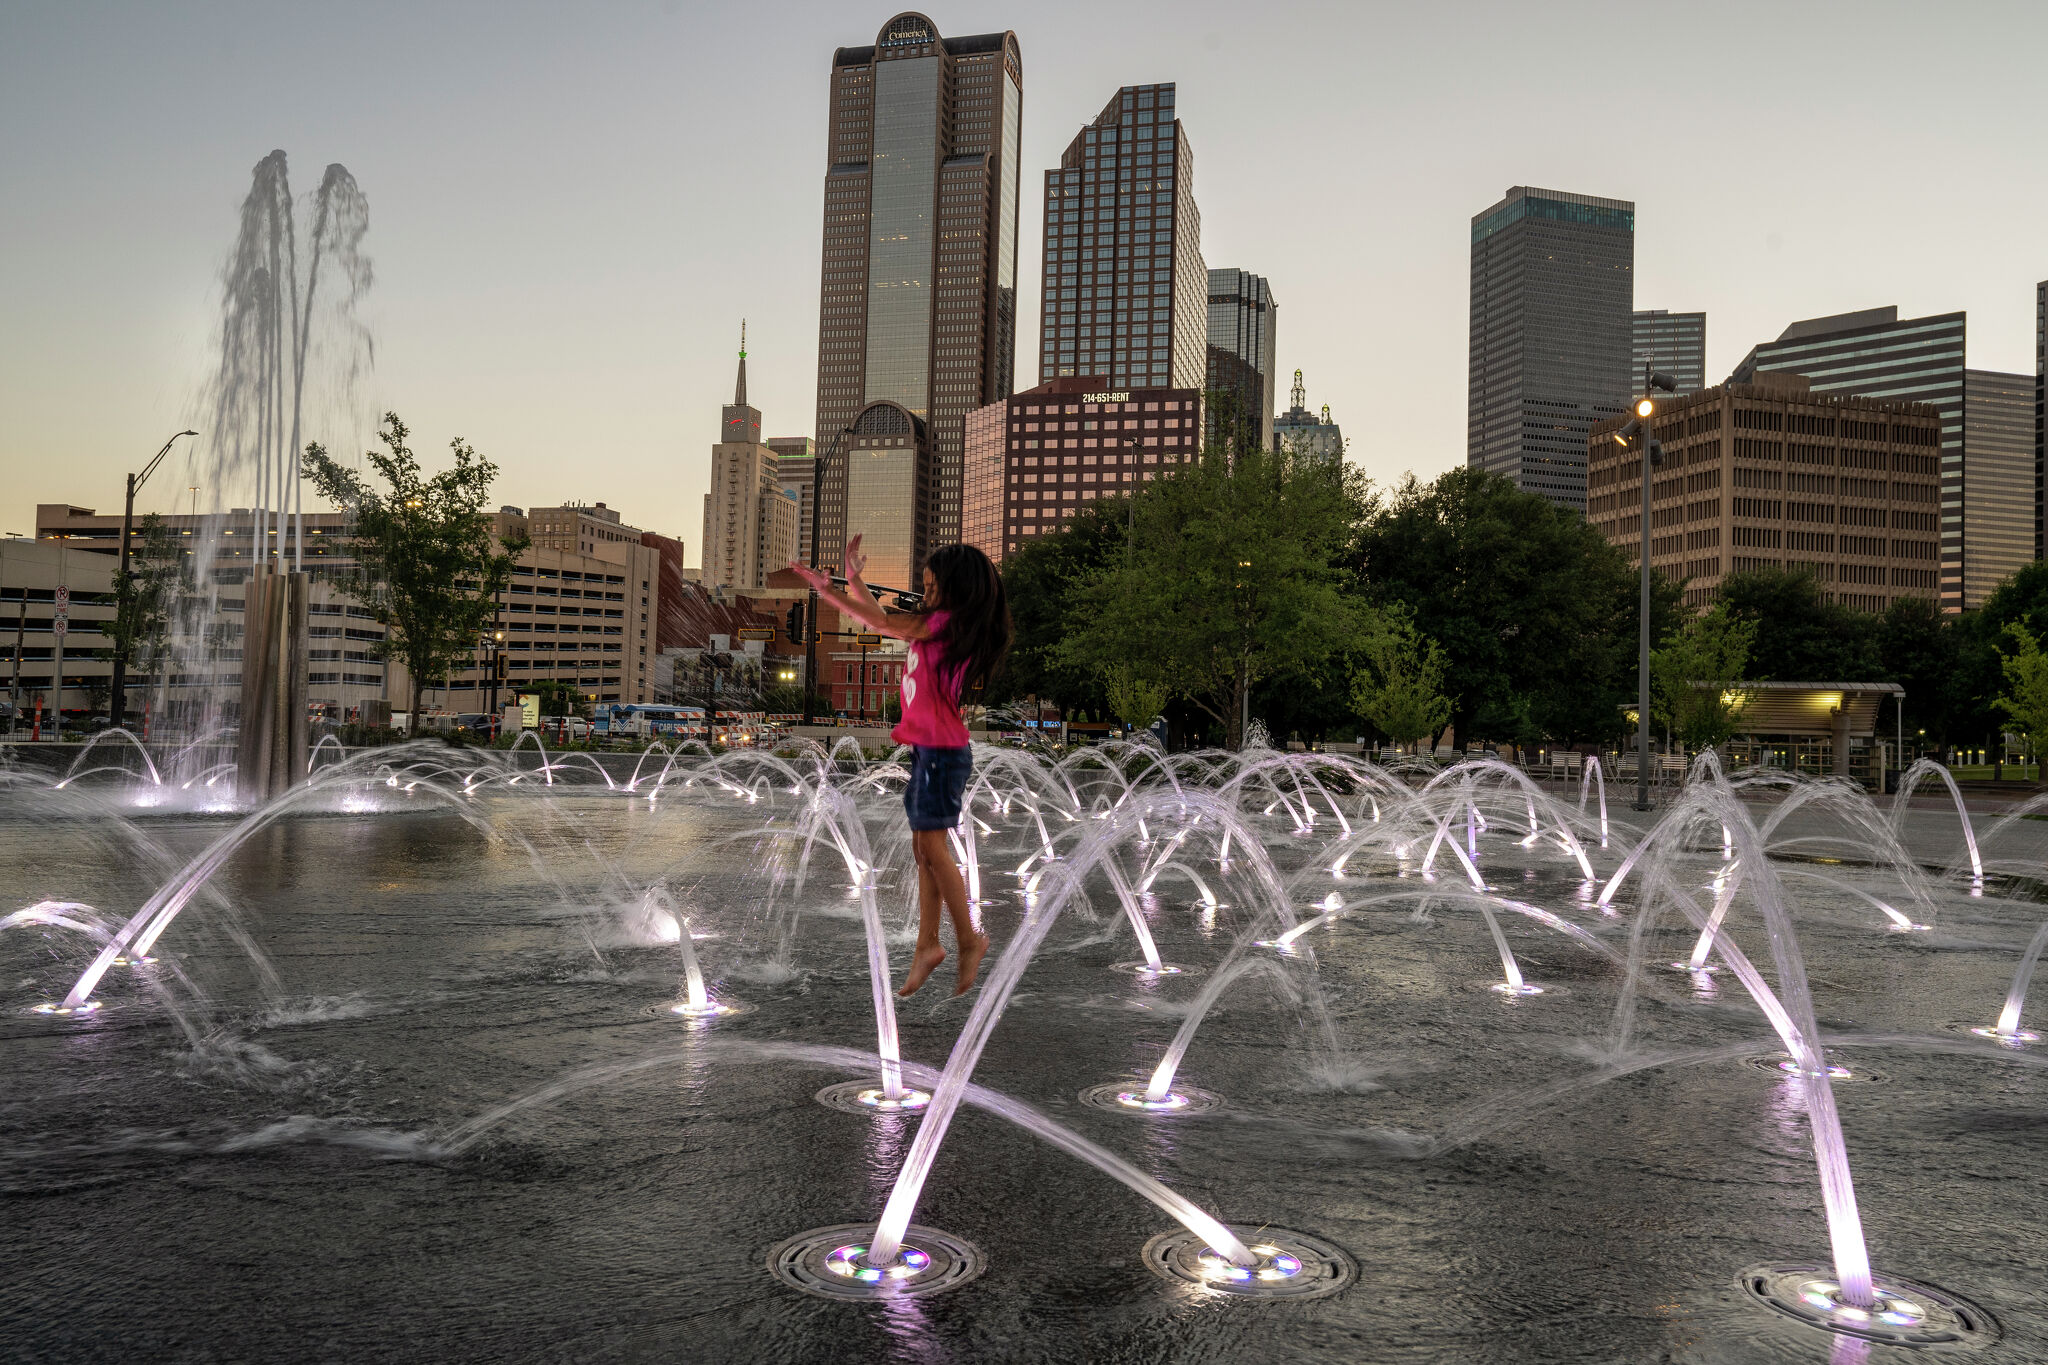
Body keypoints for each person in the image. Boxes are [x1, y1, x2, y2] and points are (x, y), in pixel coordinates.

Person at [790, 535, 1012, 996]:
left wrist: (832, 590)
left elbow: (881, 621)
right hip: (931, 752)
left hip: (942, 753)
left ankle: (969, 939)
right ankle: (927, 945)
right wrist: (851, 579)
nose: (926, 596)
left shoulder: (945, 624)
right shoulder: (940, 623)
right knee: (923, 851)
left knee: (932, 851)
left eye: (932, 588)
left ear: (954, 589)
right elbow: (885, 618)